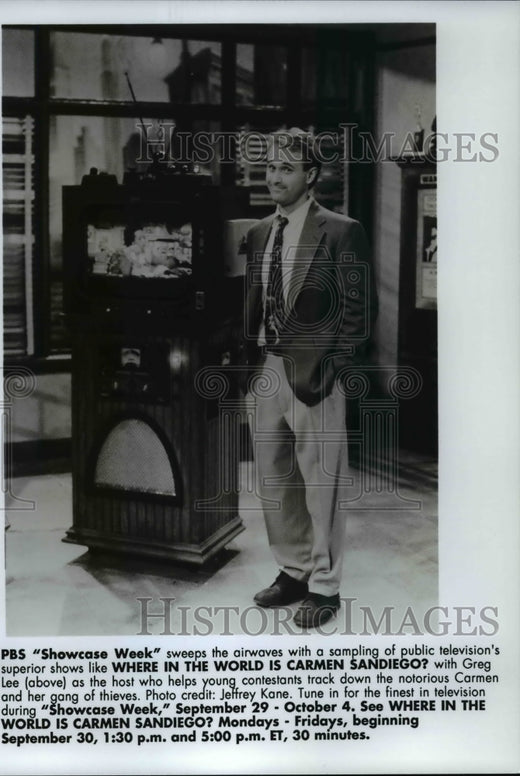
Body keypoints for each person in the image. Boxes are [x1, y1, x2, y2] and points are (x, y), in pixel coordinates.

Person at [242, 128, 377, 628]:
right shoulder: (260, 232)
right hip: (268, 366)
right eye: (270, 168)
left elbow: (360, 311)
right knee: (275, 478)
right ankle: (293, 571)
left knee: (323, 484)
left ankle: (324, 585)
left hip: (317, 372)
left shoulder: (342, 230)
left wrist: (334, 364)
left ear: (311, 175)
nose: (274, 177)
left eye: (285, 169)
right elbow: (253, 303)